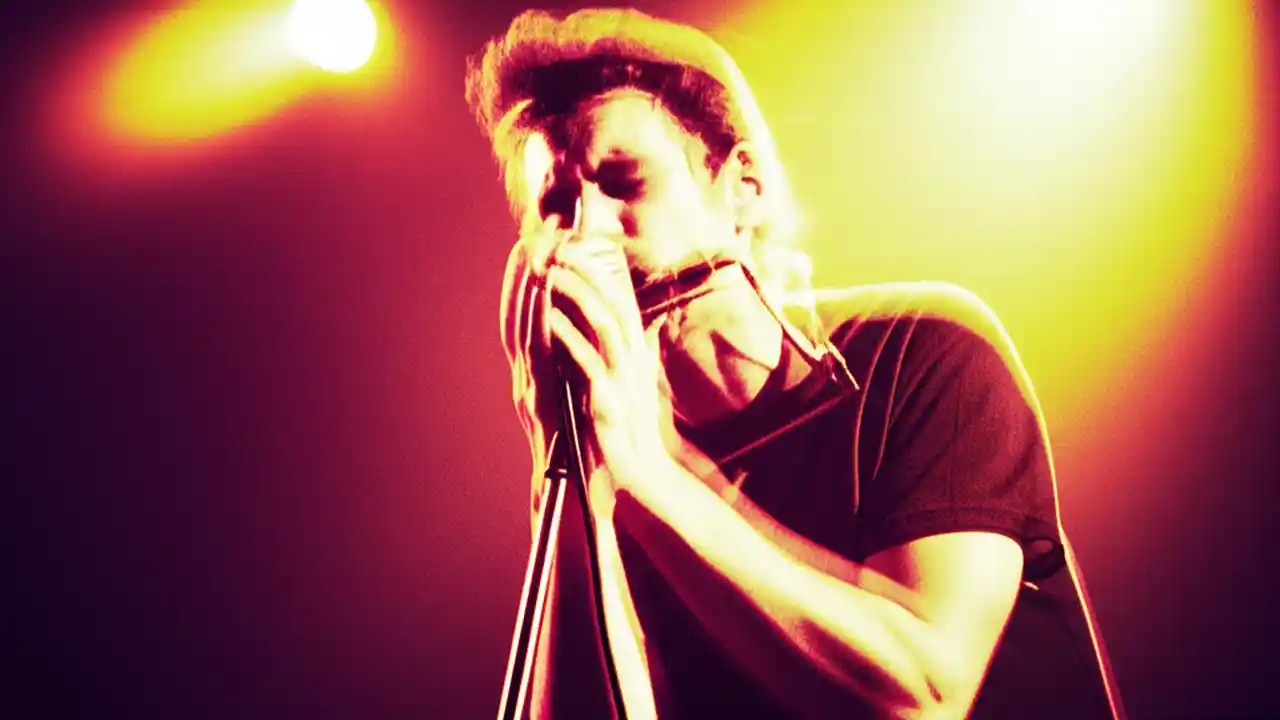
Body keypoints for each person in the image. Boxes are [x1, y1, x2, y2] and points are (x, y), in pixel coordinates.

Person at [465, 8, 1125, 719]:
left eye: (624, 183)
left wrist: (649, 472)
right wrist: (560, 471)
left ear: (741, 185)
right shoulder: (611, 475)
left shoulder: (919, 354)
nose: (587, 231)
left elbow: (921, 700)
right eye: (556, 208)